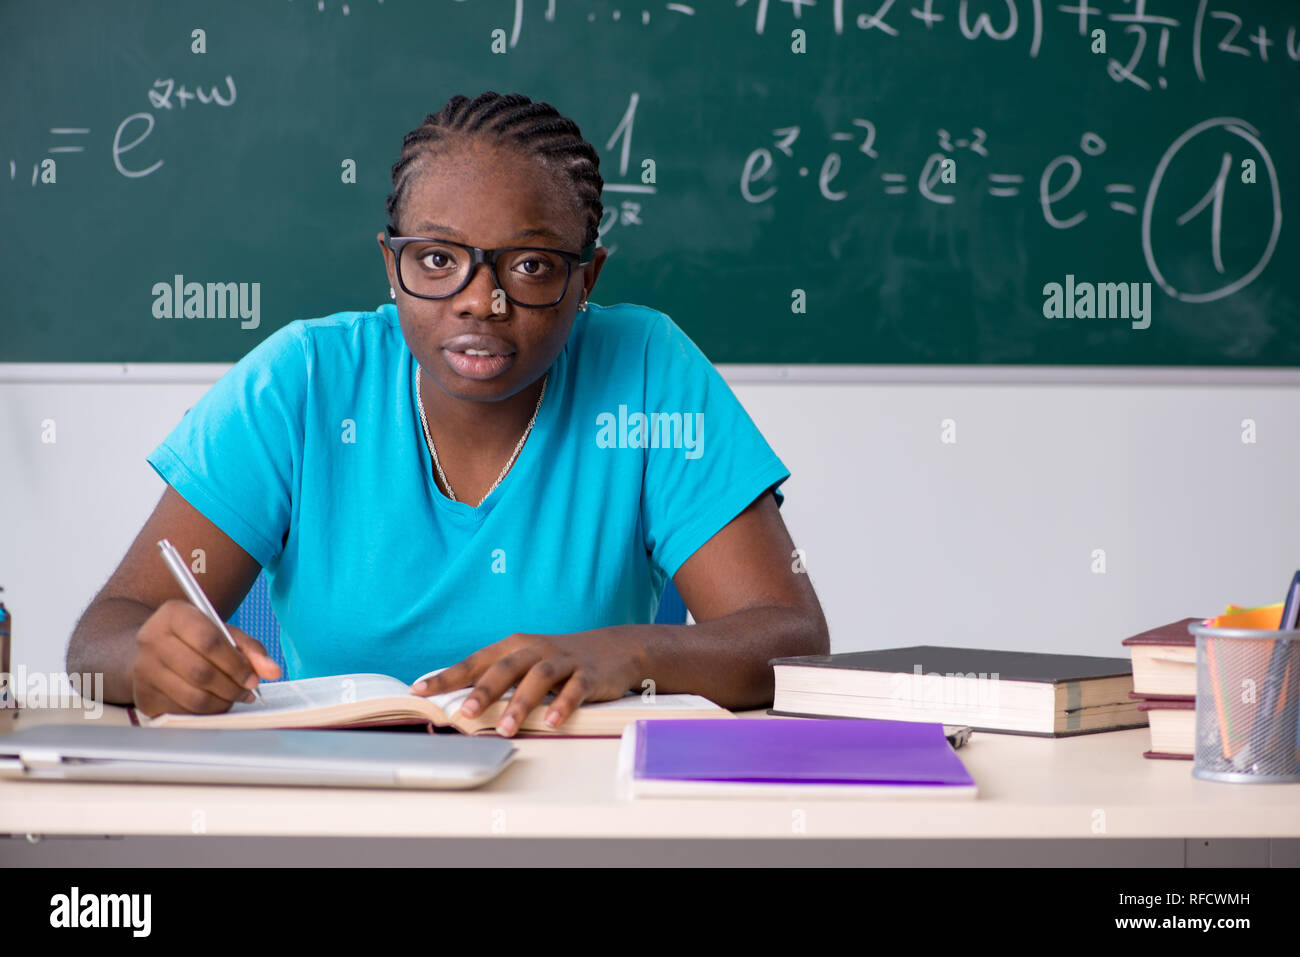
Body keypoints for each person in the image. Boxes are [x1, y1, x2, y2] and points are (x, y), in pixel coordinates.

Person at [66, 92, 828, 735]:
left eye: (530, 265)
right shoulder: (302, 382)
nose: (479, 299)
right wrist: (148, 657)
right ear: (389, 265)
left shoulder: (645, 370)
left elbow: (790, 640)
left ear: (588, 276)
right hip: (329, 807)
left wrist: (623, 652)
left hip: (573, 813)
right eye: (436, 258)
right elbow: (100, 638)